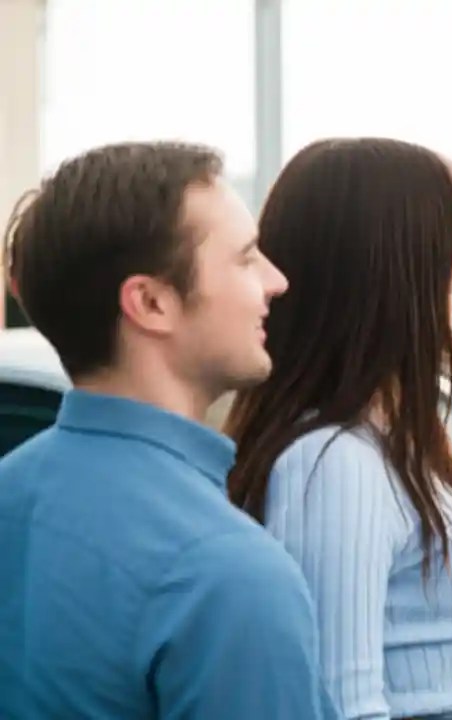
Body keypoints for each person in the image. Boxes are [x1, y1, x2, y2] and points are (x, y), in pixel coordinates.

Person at [223, 137, 452, 720]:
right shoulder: (334, 461)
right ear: (394, 261)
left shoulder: (385, 438)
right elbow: (341, 706)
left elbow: (441, 654)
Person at [0, 142, 334, 718]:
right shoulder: (226, 571)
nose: (275, 281)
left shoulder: (11, 491)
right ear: (152, 302)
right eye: (246, 257)